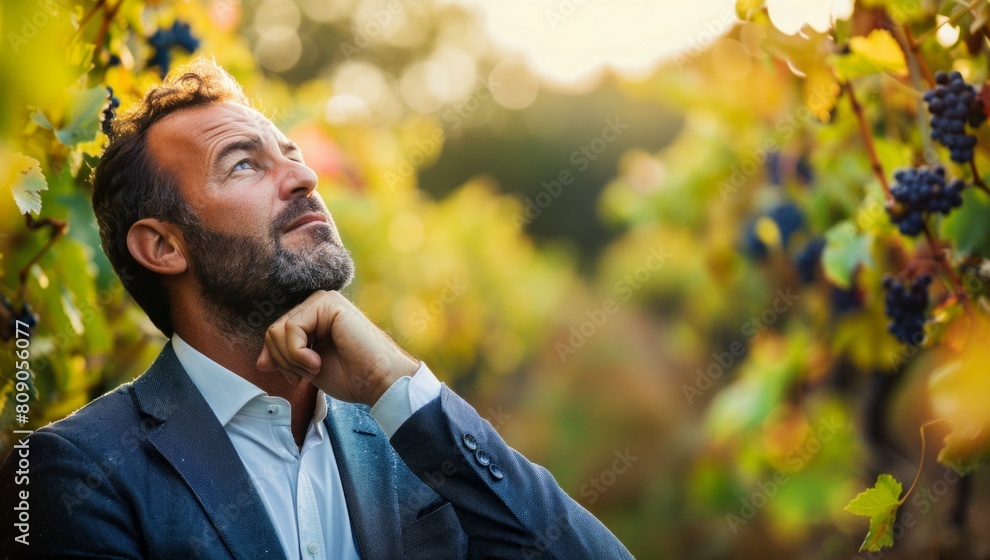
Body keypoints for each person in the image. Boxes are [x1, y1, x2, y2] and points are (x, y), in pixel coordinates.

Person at [0, 58, 633, 559]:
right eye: (244, 163)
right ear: (164, 245)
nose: (304, 180)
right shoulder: (75, 475)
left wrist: (398, 386)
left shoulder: (408, 438)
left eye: (293, 155)